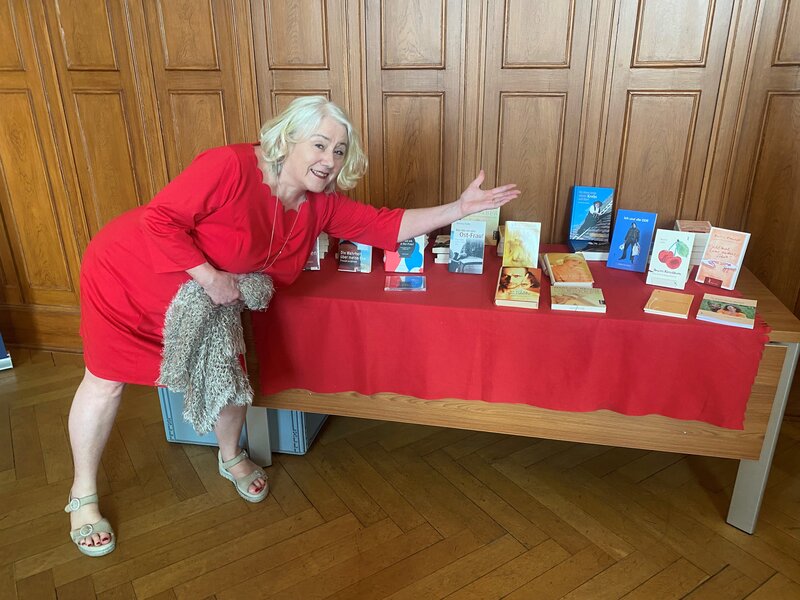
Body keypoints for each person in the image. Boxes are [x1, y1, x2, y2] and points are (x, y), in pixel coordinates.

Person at [65, 96, 520, 556]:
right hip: (129, 275)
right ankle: (82, 496)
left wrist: (459, 208)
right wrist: (211, 277)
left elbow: (385, 224)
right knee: (106, 384)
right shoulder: (229, 165)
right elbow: (158, 220)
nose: (329, 160)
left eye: (339, 151)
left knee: (231, 379)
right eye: (320, 144)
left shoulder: (320, 205)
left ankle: (231, 457)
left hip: (208, 302)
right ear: (288, 138)